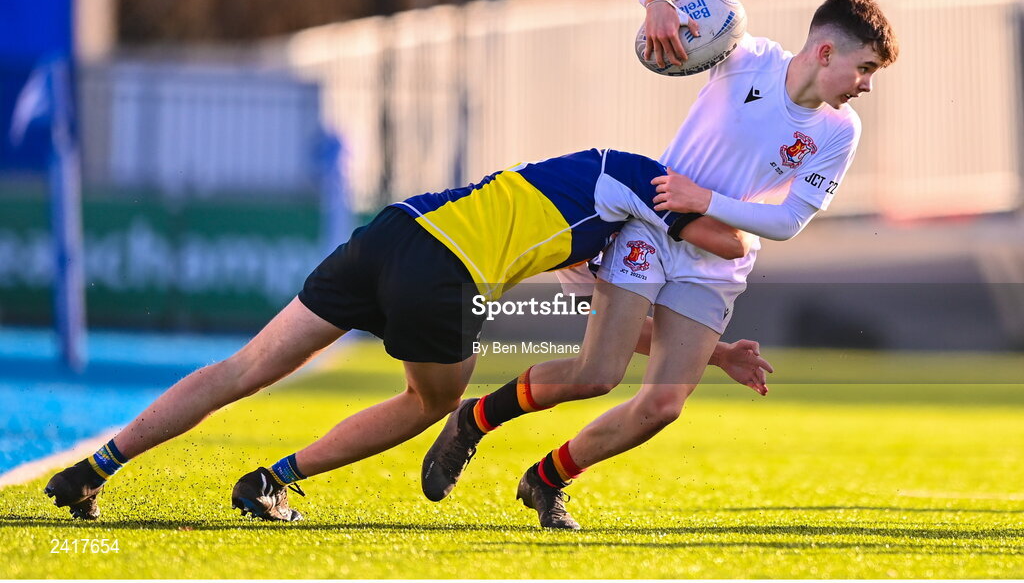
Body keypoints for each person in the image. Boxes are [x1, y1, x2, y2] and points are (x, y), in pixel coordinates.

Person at [43, 147, 768, 522]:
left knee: (247, 365)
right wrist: (713, 202)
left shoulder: (584, 198)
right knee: (428, 401)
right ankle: (272, 481)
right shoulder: (640, 179)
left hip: (392, 230)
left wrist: (718, 350)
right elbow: (726, 241)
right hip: (444, 274)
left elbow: (616, 319)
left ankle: (94, 469)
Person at [420, 0, 898, 529]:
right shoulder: (746, 55)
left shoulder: (841, 130)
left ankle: (546, 479)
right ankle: (472, 422)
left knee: (662, 407)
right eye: (864, 68)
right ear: (824, 51)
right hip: (650, 226)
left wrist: (706, 199)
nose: (865, 85)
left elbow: (788, 222)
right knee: (598, 374)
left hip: (716, 258)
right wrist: (658, 4)